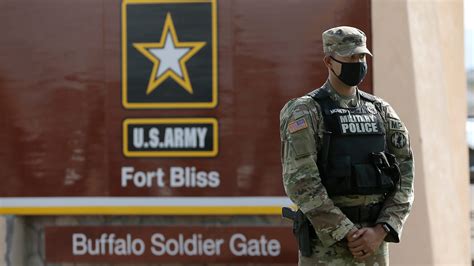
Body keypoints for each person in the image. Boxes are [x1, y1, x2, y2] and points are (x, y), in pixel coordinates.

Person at [279, 26, 414, 265]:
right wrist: (346, 232)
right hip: (326, 247)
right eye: (351, 57)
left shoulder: (381, 111)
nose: (358, 62)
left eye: (362, 56)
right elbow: (300, 181)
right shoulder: (306, 111)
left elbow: (405, 173)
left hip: (374, 244)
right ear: (329, 62)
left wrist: (382, 229)